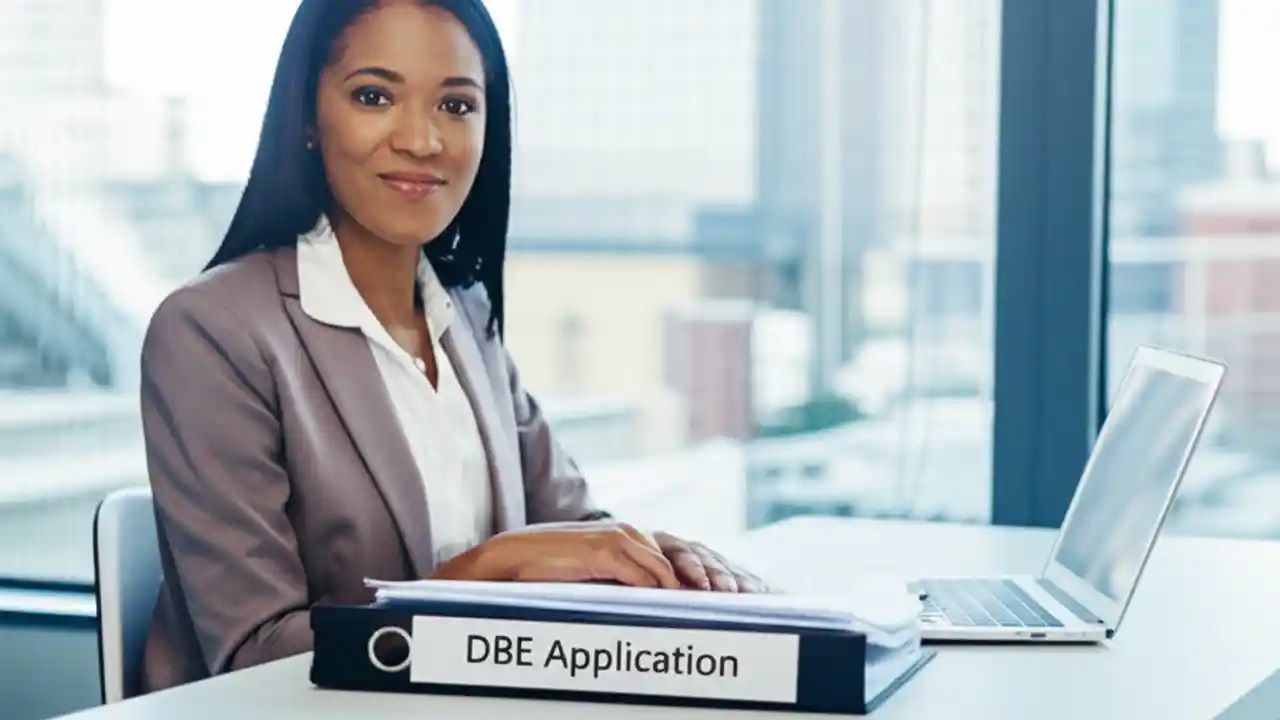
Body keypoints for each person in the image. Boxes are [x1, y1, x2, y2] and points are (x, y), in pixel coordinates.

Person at [137, 0, 767, 694]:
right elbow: (256, 655)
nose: (422, 139)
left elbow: (570, 524)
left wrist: (648, 559)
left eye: (457, 106)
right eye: (374, 96)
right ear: (309, 119)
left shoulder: (466, 317)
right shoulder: (212, 331)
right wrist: (485, 571)